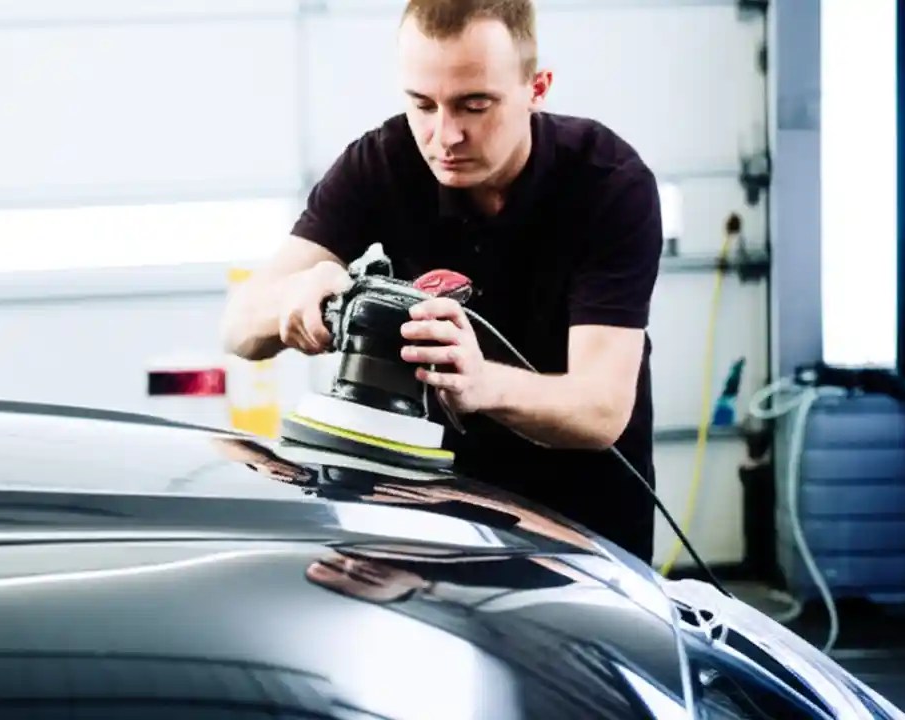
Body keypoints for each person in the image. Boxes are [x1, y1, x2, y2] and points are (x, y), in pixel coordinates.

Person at [219, 0, 662, 564]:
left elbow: (600, 409)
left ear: (538, 88)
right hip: (431, 519)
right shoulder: (381, 162)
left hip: (586, 536)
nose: (444, 135)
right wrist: (297, 296)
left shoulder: (608, 185)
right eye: (422, 104)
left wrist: (482, 384)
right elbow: (236, 329)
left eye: (475, 105)